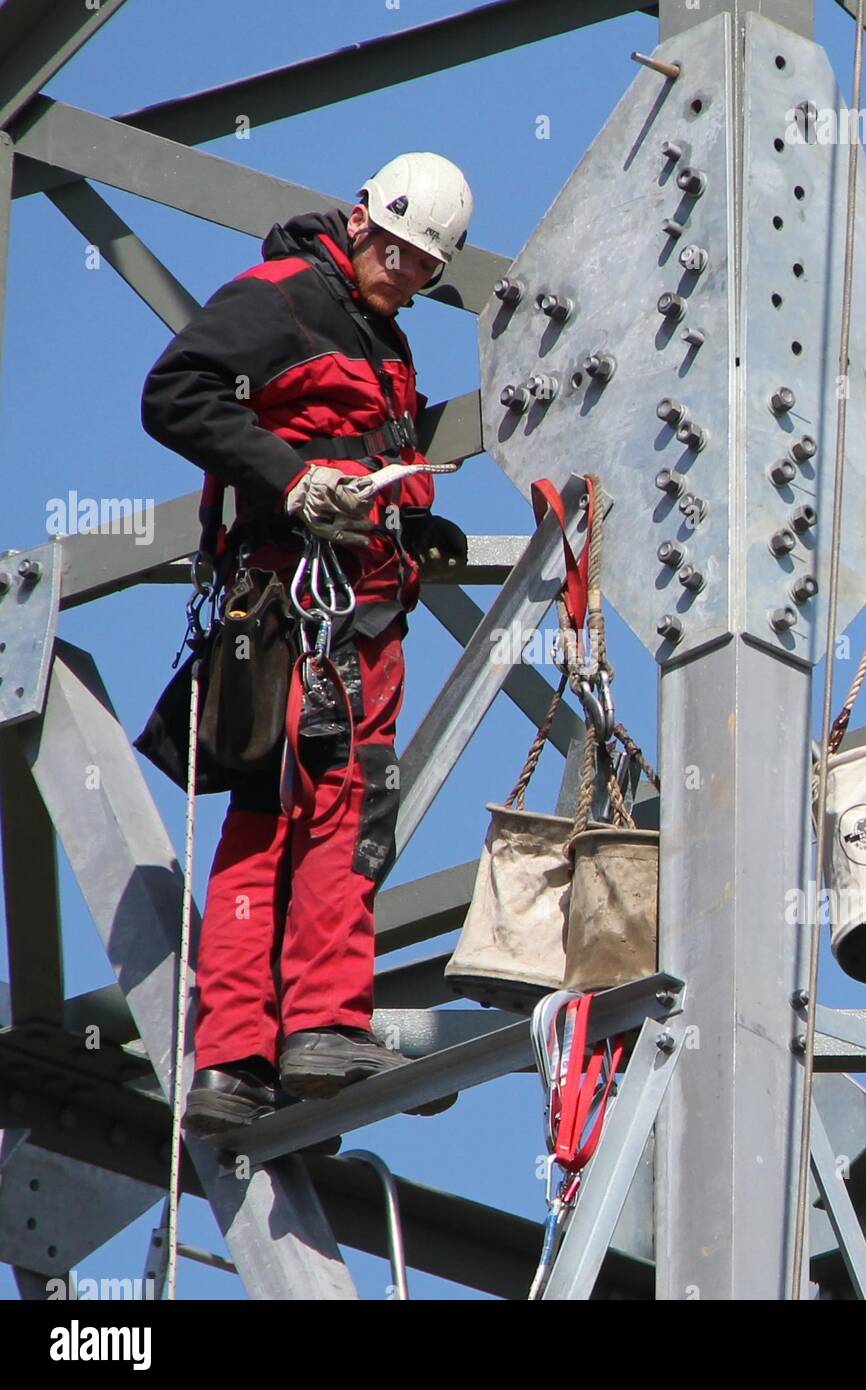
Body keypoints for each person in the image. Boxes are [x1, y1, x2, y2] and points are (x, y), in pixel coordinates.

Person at [140, 152, 474, 1133]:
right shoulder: (283, 299)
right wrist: (287, 481)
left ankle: (315, 1029)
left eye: (424, 266)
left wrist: (413, 526)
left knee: (346, 815)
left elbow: (360, 452)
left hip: (364, 614)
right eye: (398, 250)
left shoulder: (383, 341)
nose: (406, 272)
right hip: (292, 603)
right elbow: (178, 392)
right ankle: (238, 1048)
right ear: (363, 217)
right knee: (272, 813)